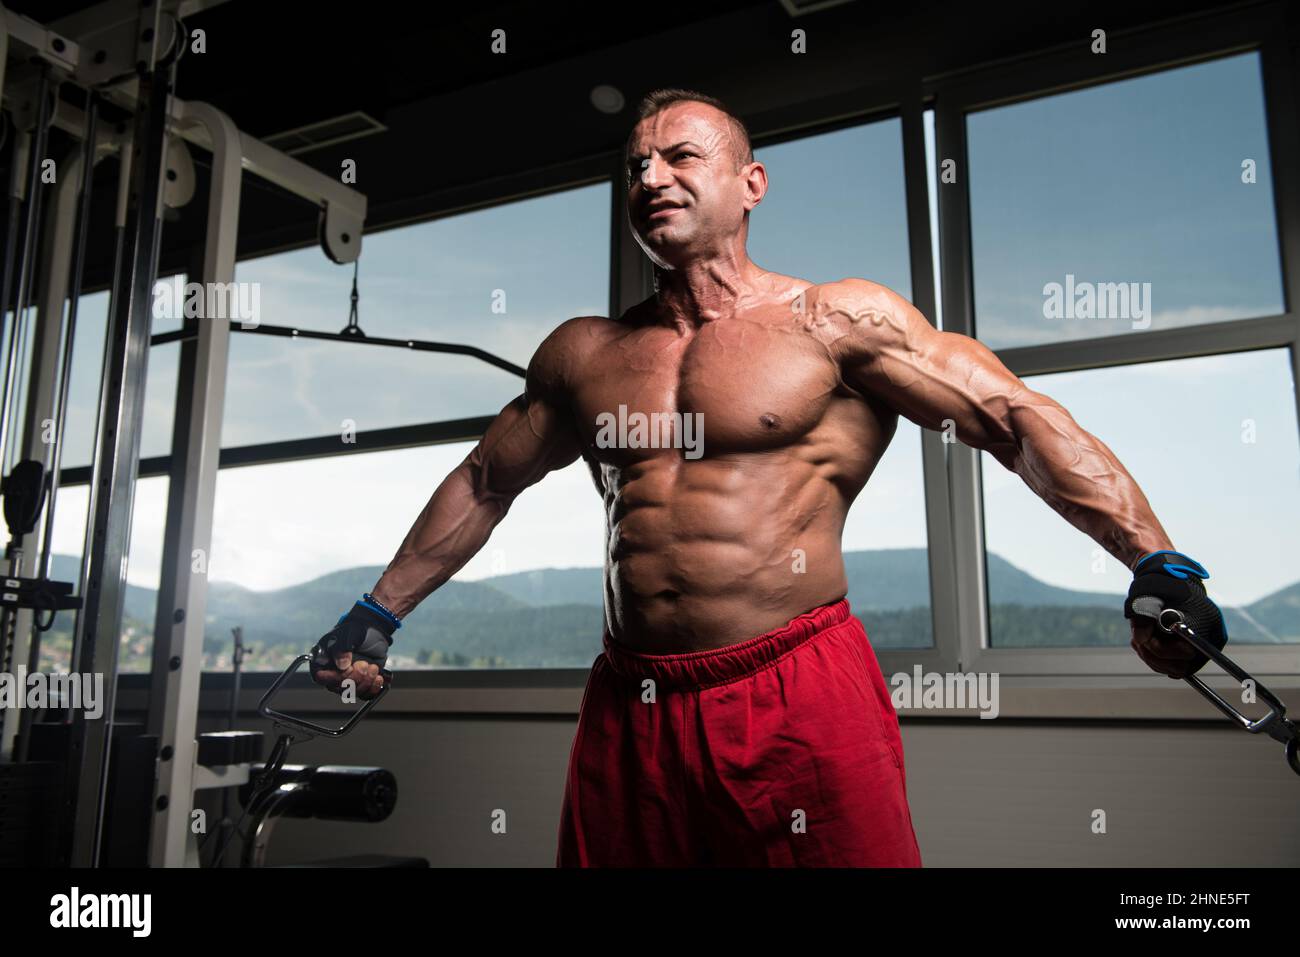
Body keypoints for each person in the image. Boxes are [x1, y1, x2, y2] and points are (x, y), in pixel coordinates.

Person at [308, 88, 1227, 867]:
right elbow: (484, 481)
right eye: (635, 167)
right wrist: (377, 612)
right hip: (633, 702)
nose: (651, 178)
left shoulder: (834, 322)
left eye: (678, 156)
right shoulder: (584, 352)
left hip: (795, 685)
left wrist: (1156, 560)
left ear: (751, 185)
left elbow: (1014, 417)